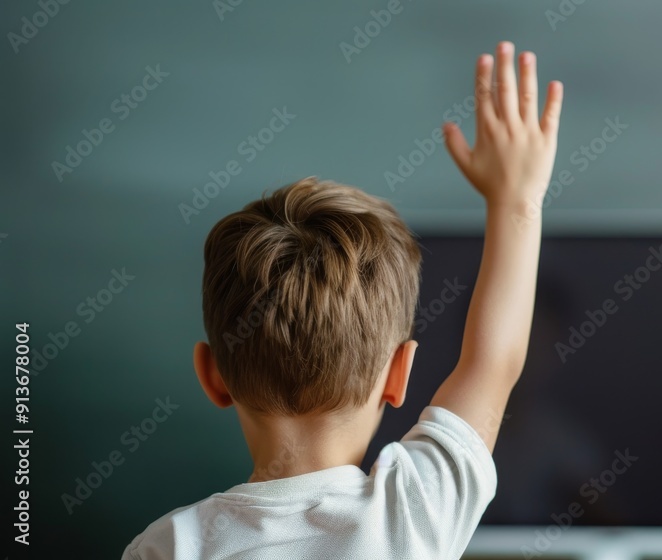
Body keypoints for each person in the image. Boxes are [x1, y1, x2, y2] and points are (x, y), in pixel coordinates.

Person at [122, 40, 563, 559]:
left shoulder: (171, 545)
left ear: (212, 374)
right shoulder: (415, 511)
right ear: (400, 372)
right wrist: (516, 199)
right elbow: (494, 364)